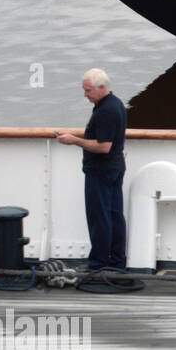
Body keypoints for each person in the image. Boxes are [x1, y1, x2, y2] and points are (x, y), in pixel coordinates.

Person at [56, 68, 127, 271]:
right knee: (114, 215)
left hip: (101, 171)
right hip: (113, 168)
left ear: (102, 88)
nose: (85, 95)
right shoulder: (115, 104)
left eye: (88, 90)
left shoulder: (106, 110)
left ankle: (98, 264)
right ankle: (116, 262)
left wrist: (74, 140)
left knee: (100, 217)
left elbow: (104, 146)